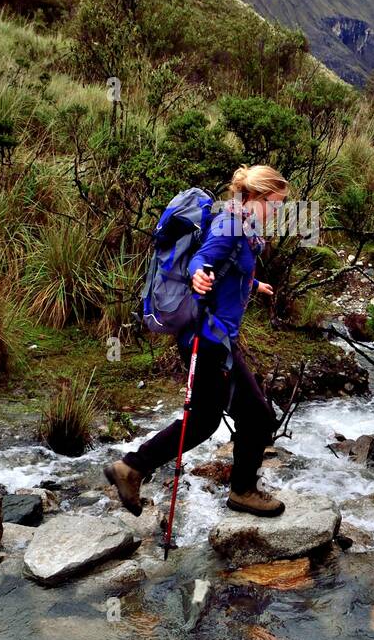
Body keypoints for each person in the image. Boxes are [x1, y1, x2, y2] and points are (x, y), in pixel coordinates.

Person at [104, 164, 289, 518]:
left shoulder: (241, 223)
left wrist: (253, 285)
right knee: (254, 416)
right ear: (253, 197)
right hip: (208, 341)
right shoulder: (231, 223)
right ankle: (241, 491)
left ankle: (133, 468)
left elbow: (225, 265)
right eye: (275, 204)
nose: (278, 213)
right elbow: (205, 260)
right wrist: (198, 276)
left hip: (213, 339)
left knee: (209, 420)